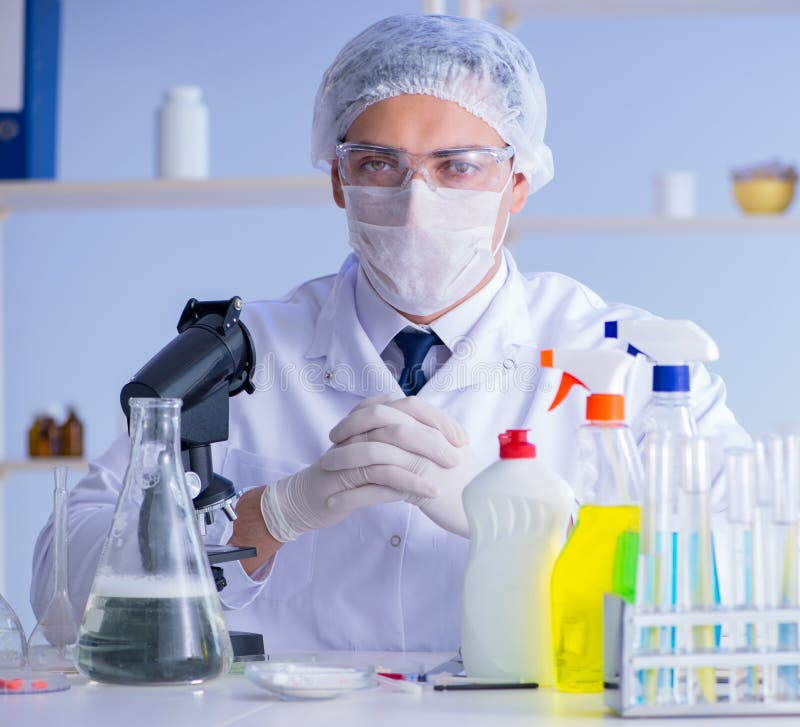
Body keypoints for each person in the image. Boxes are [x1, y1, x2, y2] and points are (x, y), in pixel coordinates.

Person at [31, 13, 748, 652]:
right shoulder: (242, 352)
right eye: (378, 164)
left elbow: (740, 587)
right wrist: (265, 516)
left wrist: (531, 524)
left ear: (519, 181)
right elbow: (59, 589)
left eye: (458, 166)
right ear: (338, 178)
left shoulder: (634, 364)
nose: (416, 201)